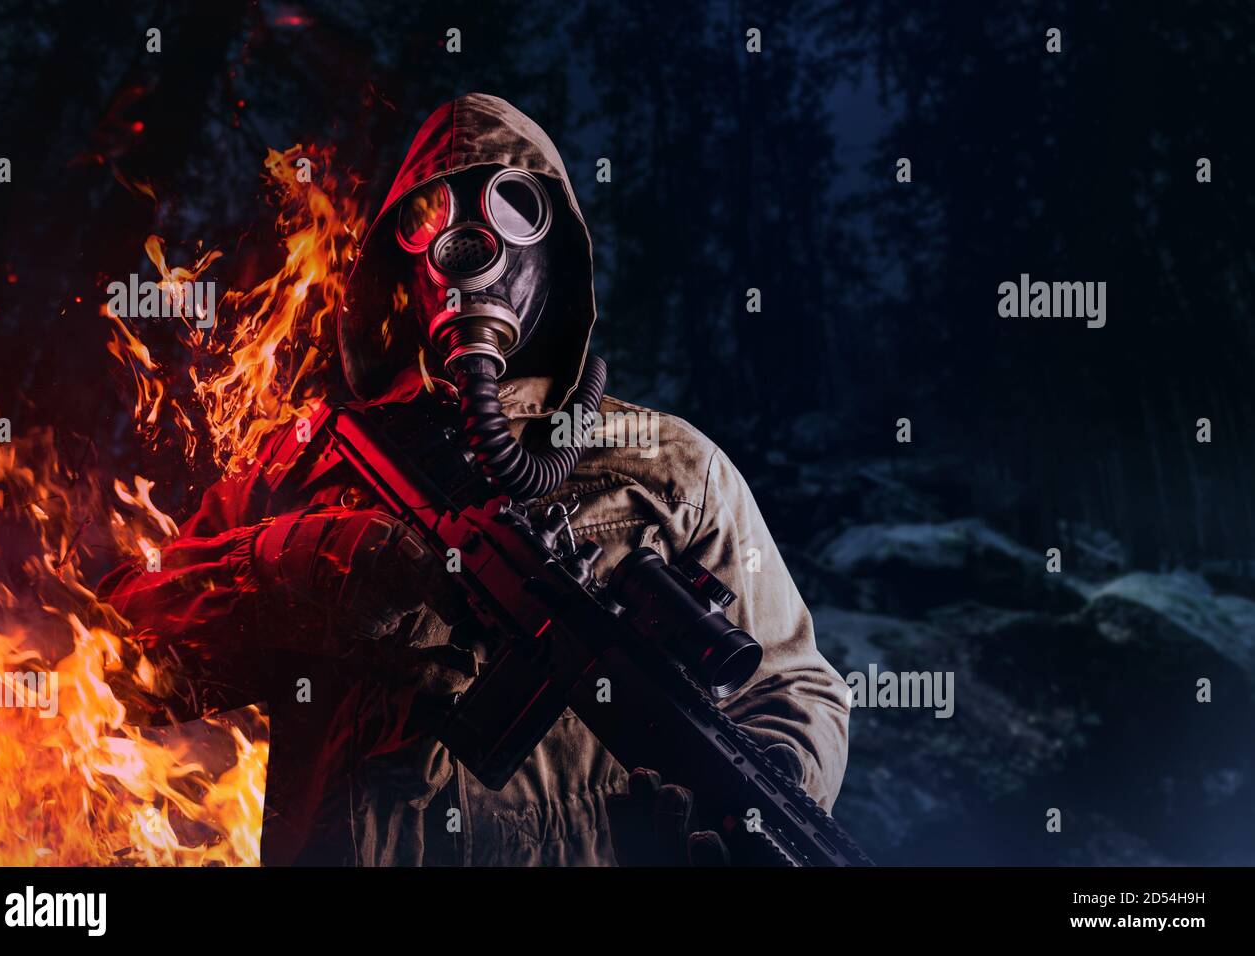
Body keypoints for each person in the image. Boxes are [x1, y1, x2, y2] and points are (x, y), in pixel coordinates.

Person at [101, 93, 851, 866]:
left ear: (557, 251)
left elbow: (791, 688)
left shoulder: (671, 465)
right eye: (429, 213)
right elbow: (121, 663)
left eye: (510, 205)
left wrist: (760, 811)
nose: (468, 244)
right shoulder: (306, 463)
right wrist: (301, 564)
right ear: (401, 262)